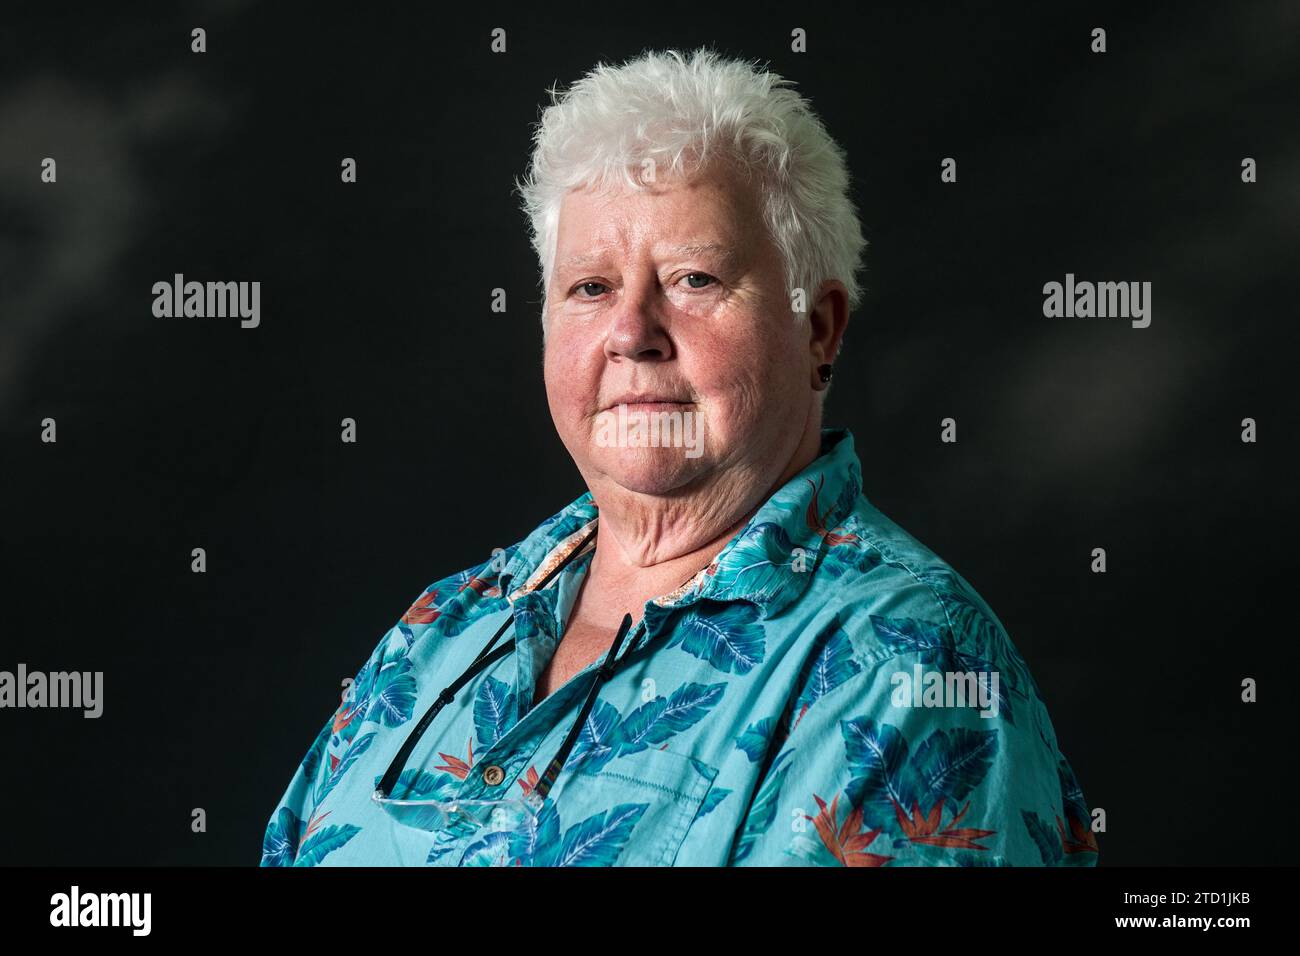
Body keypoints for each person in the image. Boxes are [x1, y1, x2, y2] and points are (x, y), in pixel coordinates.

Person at [260, 47, 1098, 867]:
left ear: (819, 327)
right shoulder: (442, 629)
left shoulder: (906, 663)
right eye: (590, 287)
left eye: (694, 279)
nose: (631, 332)